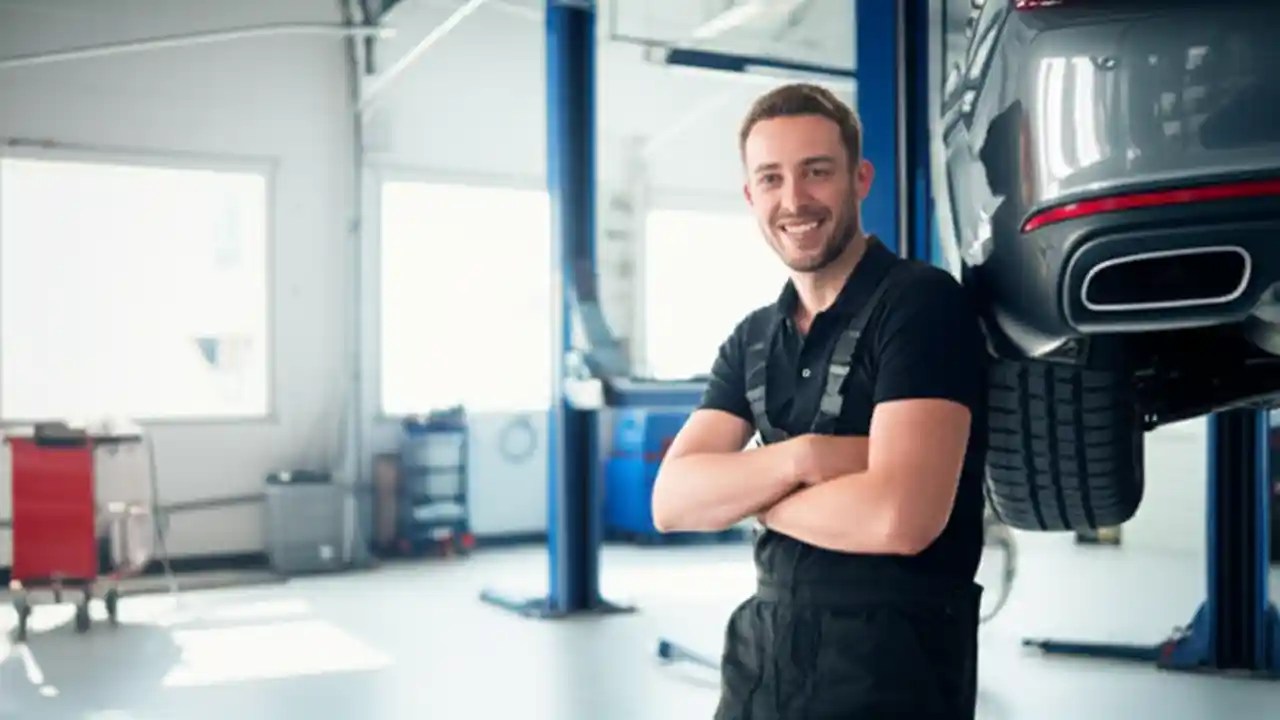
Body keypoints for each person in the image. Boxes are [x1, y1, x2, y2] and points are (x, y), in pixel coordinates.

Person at [651, 83, 989, 719]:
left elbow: (899, 518)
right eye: (771, 179)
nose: (794, 199)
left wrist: (753, 497)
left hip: (891, 670)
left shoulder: (919, 305)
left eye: (816, 172)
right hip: (763, 662)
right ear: (751, 196)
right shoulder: (753, 337)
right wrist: (807, 457)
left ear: (860, 179)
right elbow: (673, 502)